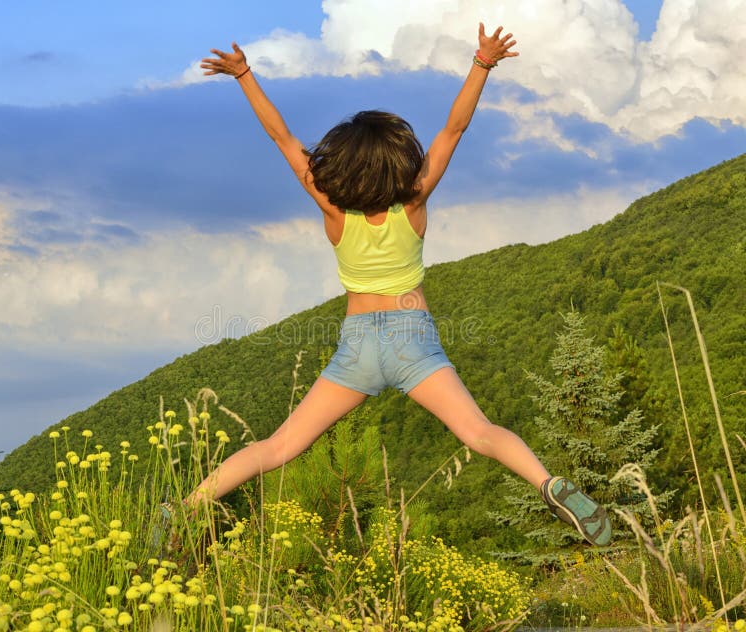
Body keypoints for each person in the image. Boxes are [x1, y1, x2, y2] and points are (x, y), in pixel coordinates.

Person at [181, 23, 611, 546]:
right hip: (413, 339)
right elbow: (453, 131)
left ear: (338, 162)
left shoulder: (333, 210)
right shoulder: (414, 204)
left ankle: (187, 507)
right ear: (399, 161)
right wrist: (482, 64)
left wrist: (245, 74)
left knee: (276, 448)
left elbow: (283, 139)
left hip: (357, 345)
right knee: (478, 433)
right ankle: (549, 482)